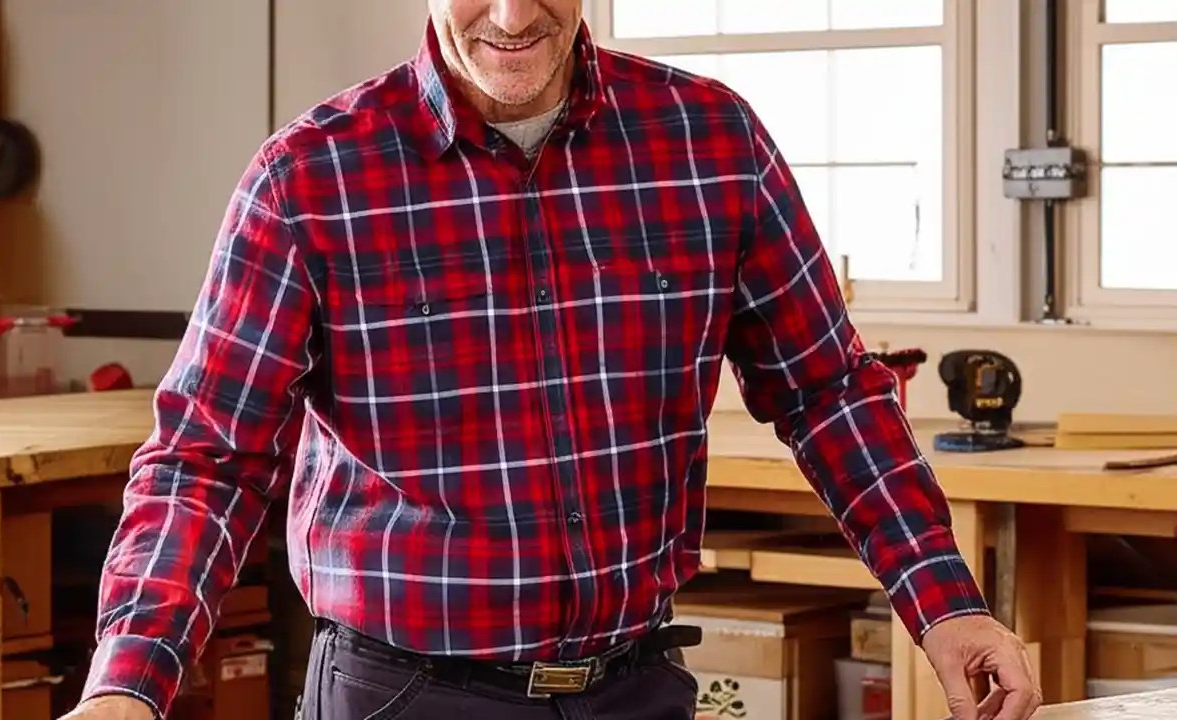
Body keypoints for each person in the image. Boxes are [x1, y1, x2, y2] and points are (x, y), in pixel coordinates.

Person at [65, 1, 1042, 719]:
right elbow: (208, 458)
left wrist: (944, 606)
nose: (511, 15)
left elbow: (826, 394)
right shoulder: (311, 178)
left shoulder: (709, 144)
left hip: (634, 688)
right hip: (401, 697)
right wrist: (128, 682)